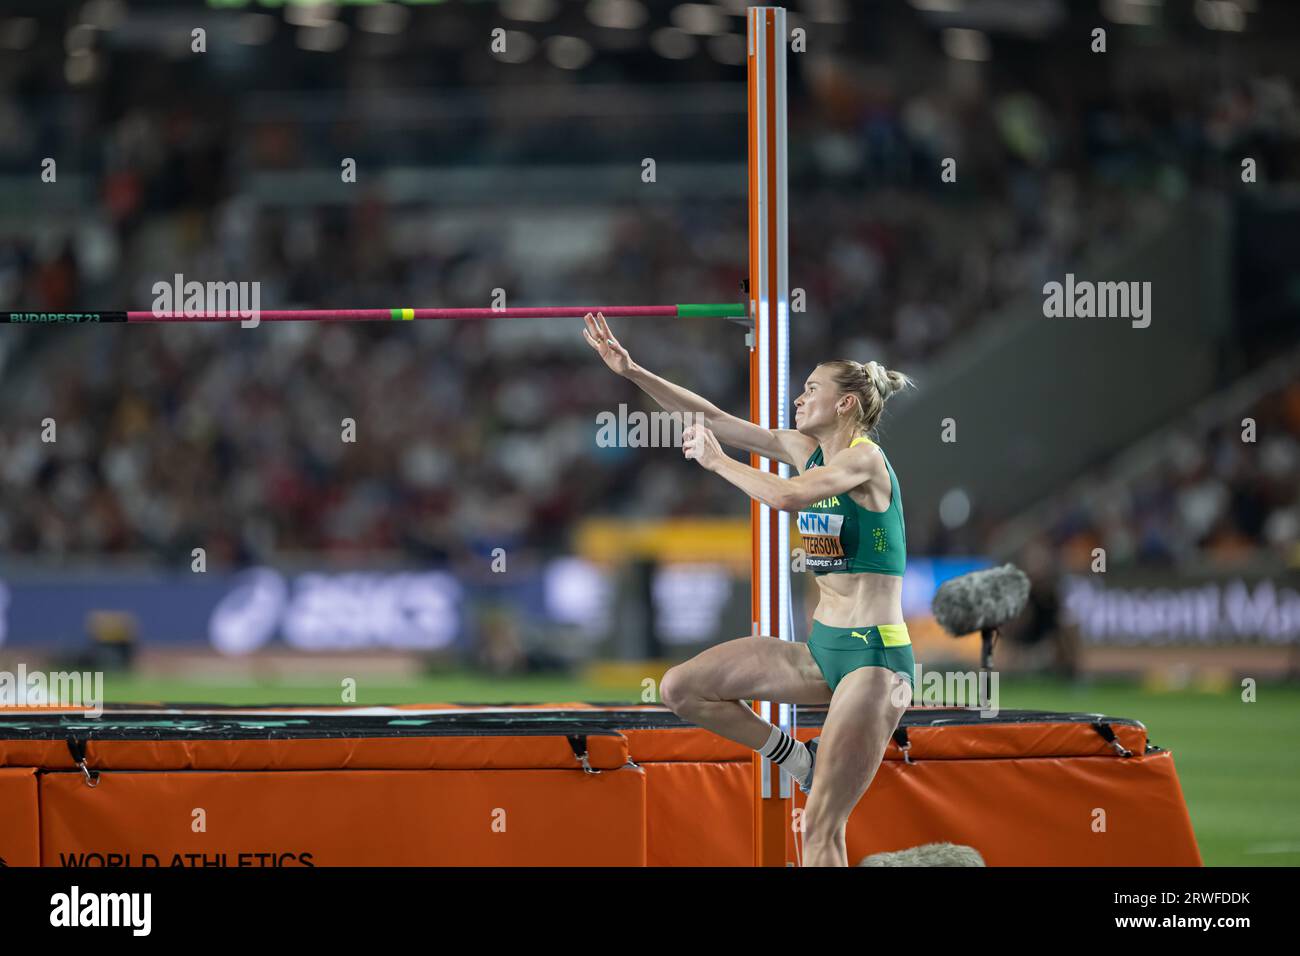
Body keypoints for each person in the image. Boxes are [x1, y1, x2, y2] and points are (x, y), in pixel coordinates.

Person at [582, 311, 917, 866]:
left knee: (818, 828)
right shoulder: (800, 448)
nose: (799, 397)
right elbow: (710, 415)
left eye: (812, 389)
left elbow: (790, 498)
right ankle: (796, 759)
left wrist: (719, 464)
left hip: (875, 661)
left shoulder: (864, 459)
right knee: (682, 688)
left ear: (846, 404)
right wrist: (633, 372)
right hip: (822, 653)